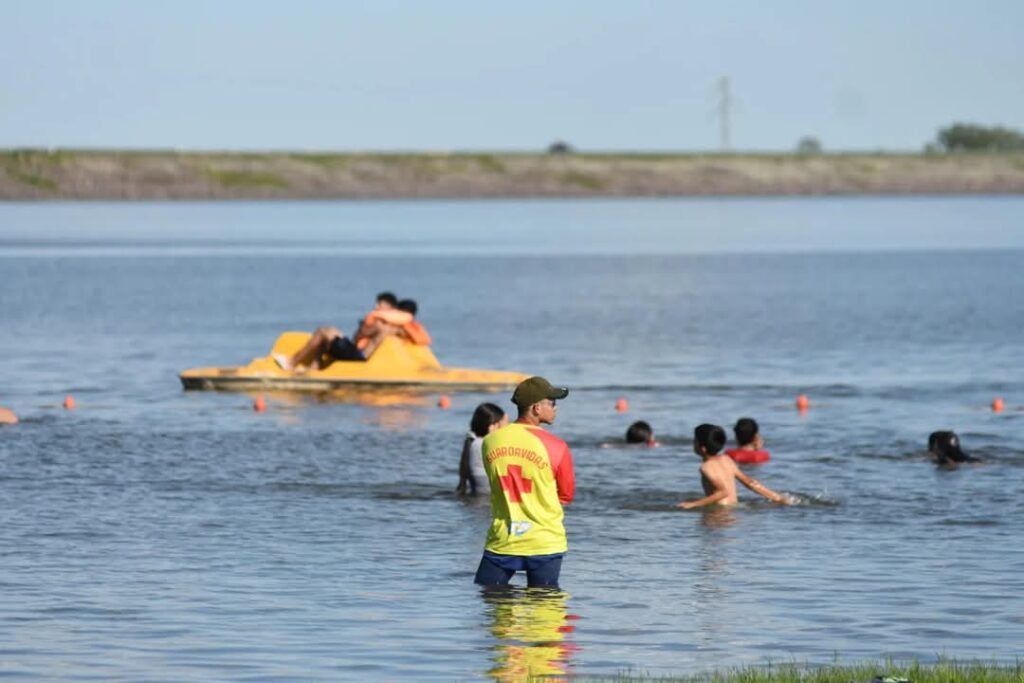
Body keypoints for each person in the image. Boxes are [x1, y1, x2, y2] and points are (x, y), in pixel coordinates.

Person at [474, 376, 575, 588]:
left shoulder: (489, 442)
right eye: (552, 403)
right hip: (544, 542)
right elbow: (566, 495)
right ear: (537, 408)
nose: (556, 408)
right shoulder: (557, 446)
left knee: (494, 609)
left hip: (503, 540)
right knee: (546, 613)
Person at [274, 291, 399, 370]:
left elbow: (359, 336)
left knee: (324, 332)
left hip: (358, 356)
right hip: (357, 353)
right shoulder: (392, 325)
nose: (376, 307)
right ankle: (315, 366)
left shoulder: (381, 324)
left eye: (380, 304)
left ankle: (291, 363)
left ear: (390, 307)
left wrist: (365, 324)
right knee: (327, 333)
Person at [678, 423, 792, 509]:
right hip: (734, 508)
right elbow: (750, 483)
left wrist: (693, 504)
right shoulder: (726, 459)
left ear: (702, 448)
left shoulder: (706, 467)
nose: (693, 443)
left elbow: (723, 492)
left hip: (720, 513)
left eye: (695, 441)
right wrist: (777, 497)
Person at [457, 403, 507, 496]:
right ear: (492, 426)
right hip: (485, 499)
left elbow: (463, 471)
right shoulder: (484, 444)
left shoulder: (471, 441)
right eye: (502, 425)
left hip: (476, 497)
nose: (505, 429)